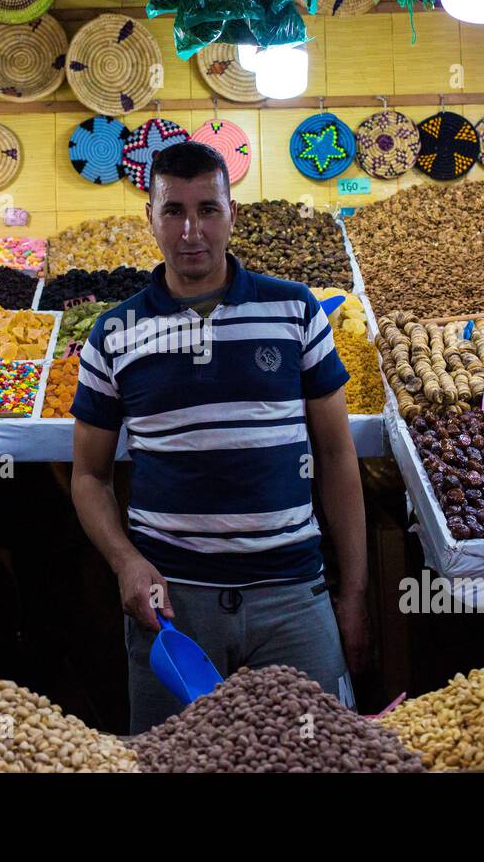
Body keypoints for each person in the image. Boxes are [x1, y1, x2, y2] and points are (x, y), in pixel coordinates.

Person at [69, 141, 370, 733]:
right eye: (172, 211)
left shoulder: (295, 311)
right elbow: (88, 476)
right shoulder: (114, 334)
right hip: (173, 607)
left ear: (233, 212)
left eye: (207, 209)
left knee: (320, 756)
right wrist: (125, 562)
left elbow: (336, 455)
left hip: (292, 595)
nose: (190, 230)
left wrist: (354, 594)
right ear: (149, 219)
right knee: (172, 762)